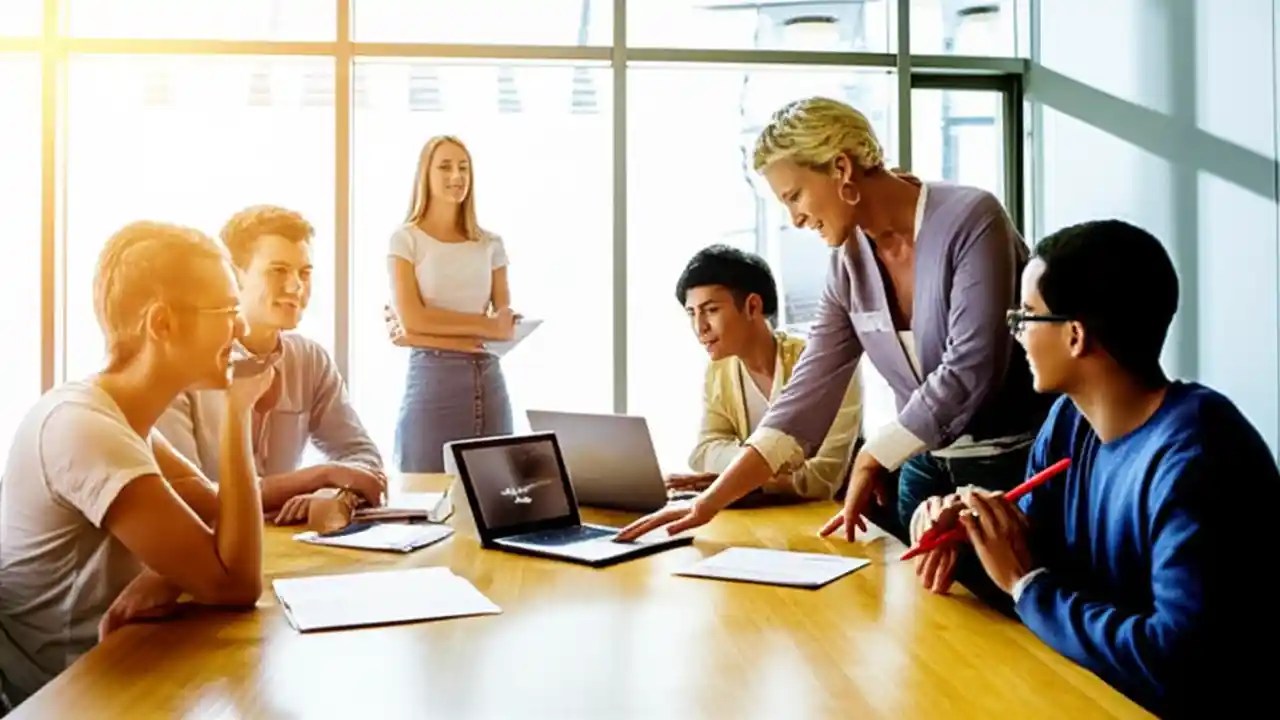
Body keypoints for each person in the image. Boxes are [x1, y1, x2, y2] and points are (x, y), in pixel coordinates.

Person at [618, 96, 1050, 542]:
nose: (795, 218)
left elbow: (971, 368)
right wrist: (708, 504)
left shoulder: (971, 218)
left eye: (795, 196)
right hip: (925, 482)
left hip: (1015, 472)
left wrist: (875, 455)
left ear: (841, 169)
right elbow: (805, 395)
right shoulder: (847, 264)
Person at [916, 219, 1279, 716]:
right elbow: (1044, 565)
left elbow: (1175, 660)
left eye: (1027, 315)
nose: (1017, 332)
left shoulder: (1201, 457)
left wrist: (1027, 585)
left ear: (1075, 335)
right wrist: (973, 538)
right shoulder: (1071, 420)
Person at [0, 222, 274, 707]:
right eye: (229, 311)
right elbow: (235, 584)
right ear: (161, 324)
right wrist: (237, 413)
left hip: (124, 670)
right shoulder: (83, 428)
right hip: (67, 697)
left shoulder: (124, 417)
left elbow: (217, 511)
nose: (243, 329)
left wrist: (167, 574)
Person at [157, 205, 386, 525]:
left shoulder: (310, 361)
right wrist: (319, 476)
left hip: (286, 548)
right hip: (207, 549)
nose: (296, 287)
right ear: (234, 274)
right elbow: (188, 499)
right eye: (278, 270)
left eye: (305, 273)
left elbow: (364, 460)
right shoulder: (185, 367)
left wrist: (333, 494)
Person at [671, 244, 862, 501]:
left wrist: (737, 477)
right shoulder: (719, 370)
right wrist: (751, 472)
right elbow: (703, 453)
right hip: (760, 517)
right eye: (691, 313)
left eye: (711, 310)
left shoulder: (823, 363)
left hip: (828, 520)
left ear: (752, 306)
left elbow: (823, 479)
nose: (699, 327)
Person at [387, 135, 518, 473]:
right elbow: (413, 319)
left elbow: (503, 329)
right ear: (425, 175)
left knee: (499, 497)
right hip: (432, 384)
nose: (456, 176)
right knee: (424, 501)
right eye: (445, 166)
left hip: (489, 381)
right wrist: (483, 327)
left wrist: (421, 335)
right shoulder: (406, 239)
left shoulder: (490, 244)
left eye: (463, 168)